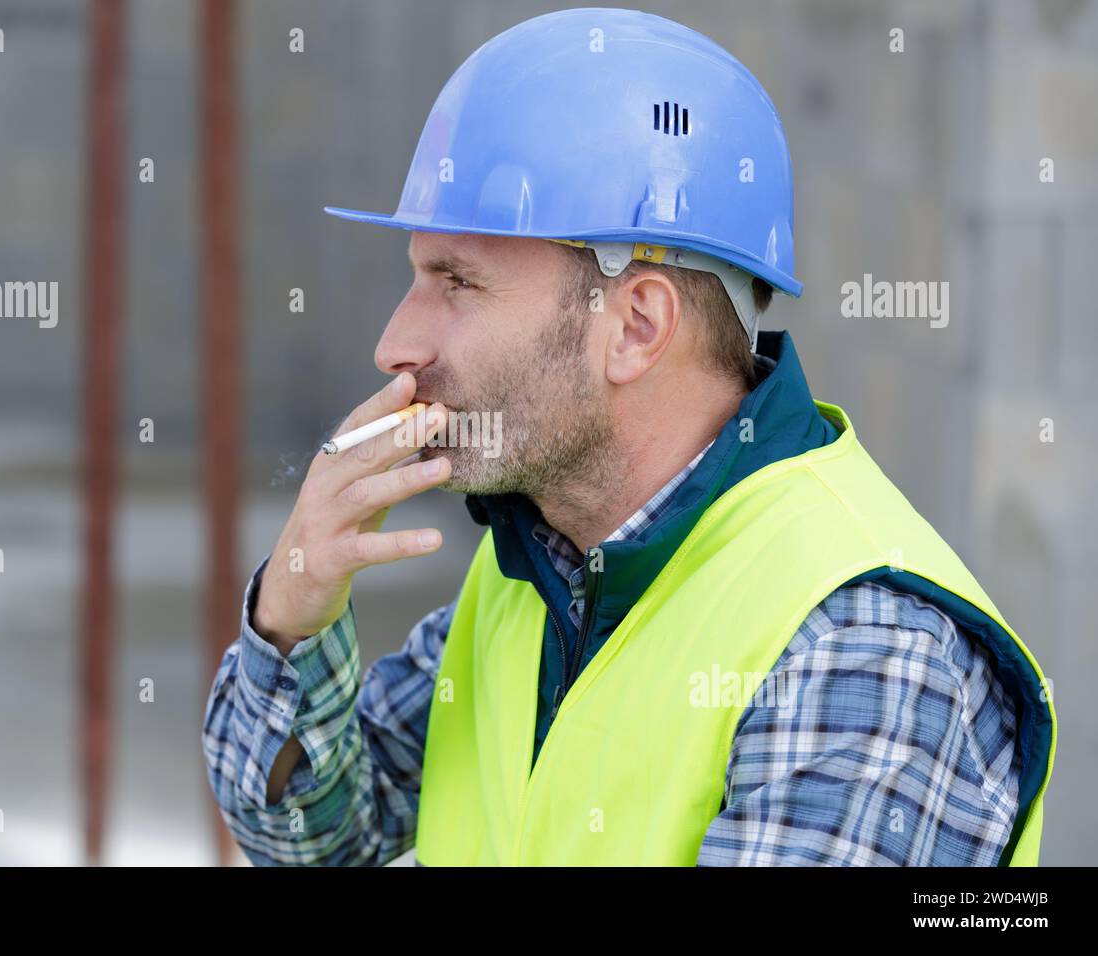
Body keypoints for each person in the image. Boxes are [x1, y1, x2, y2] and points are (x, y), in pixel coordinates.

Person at [203, 8, 1056, 866]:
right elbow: (317, 840)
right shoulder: (542, 572)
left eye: (457, 283)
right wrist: (291, 616)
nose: (395, 345)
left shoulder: (864, 652)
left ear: (637, 326)